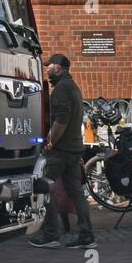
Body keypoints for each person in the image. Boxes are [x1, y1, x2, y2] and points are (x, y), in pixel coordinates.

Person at [30, 53, 95, 249]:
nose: (47, 70)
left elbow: (61, 120)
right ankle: (87, 235)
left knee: (44, 188)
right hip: (75, 149)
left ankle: (51, 233)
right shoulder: (74, 87)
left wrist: (50, 142)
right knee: (76, 193)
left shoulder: (61, 90)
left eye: (49, 66)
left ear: (58, 67)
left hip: (61, 151)